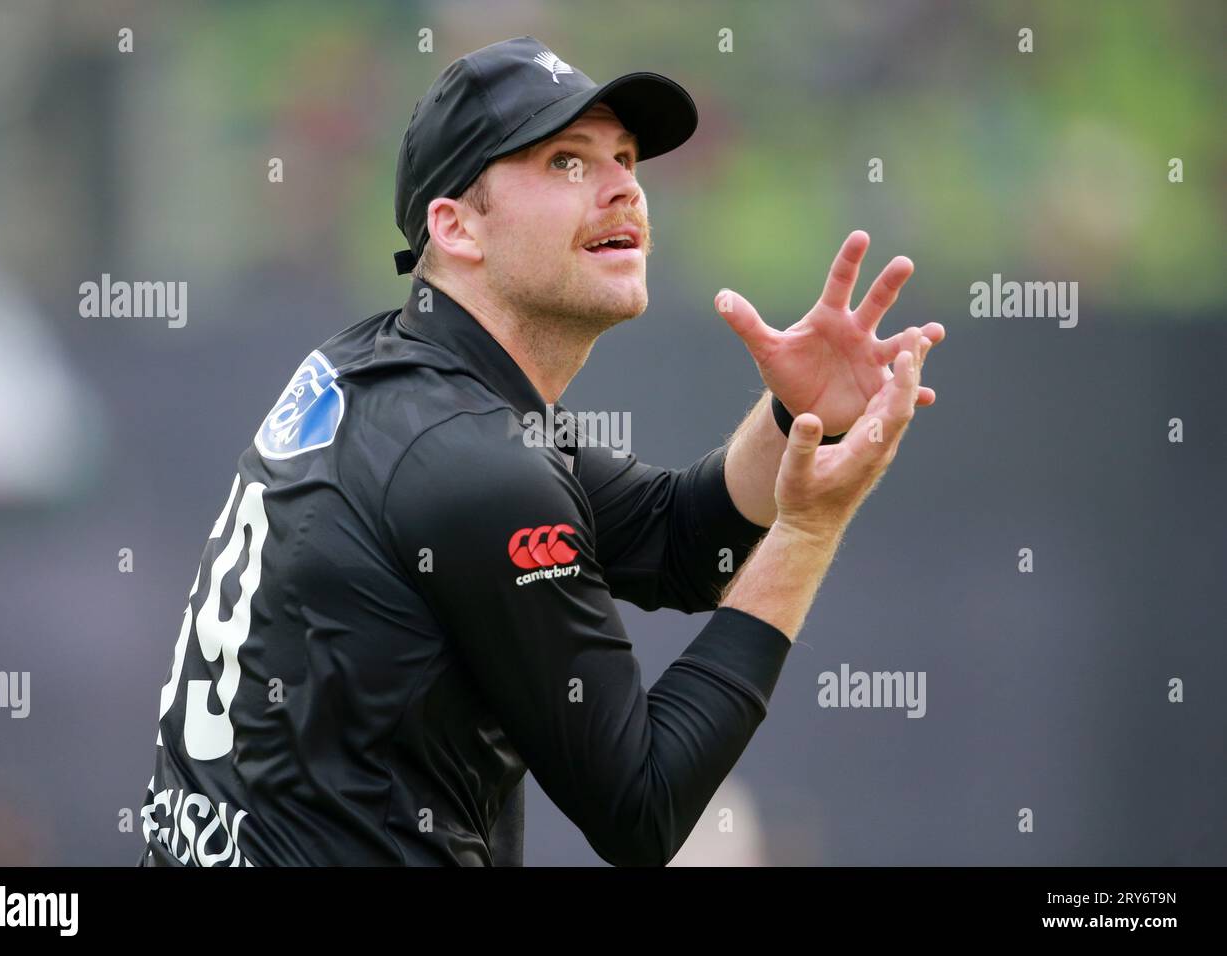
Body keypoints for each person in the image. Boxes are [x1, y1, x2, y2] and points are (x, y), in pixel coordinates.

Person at [137, 35, 945, 867]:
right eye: (567, 161)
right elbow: (644, 808)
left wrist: (797, 417)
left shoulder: (387, 370)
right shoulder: (470, 460)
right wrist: (808, 534)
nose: (624, 186)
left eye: (626, 159)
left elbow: (680, 545)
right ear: (455, 227)